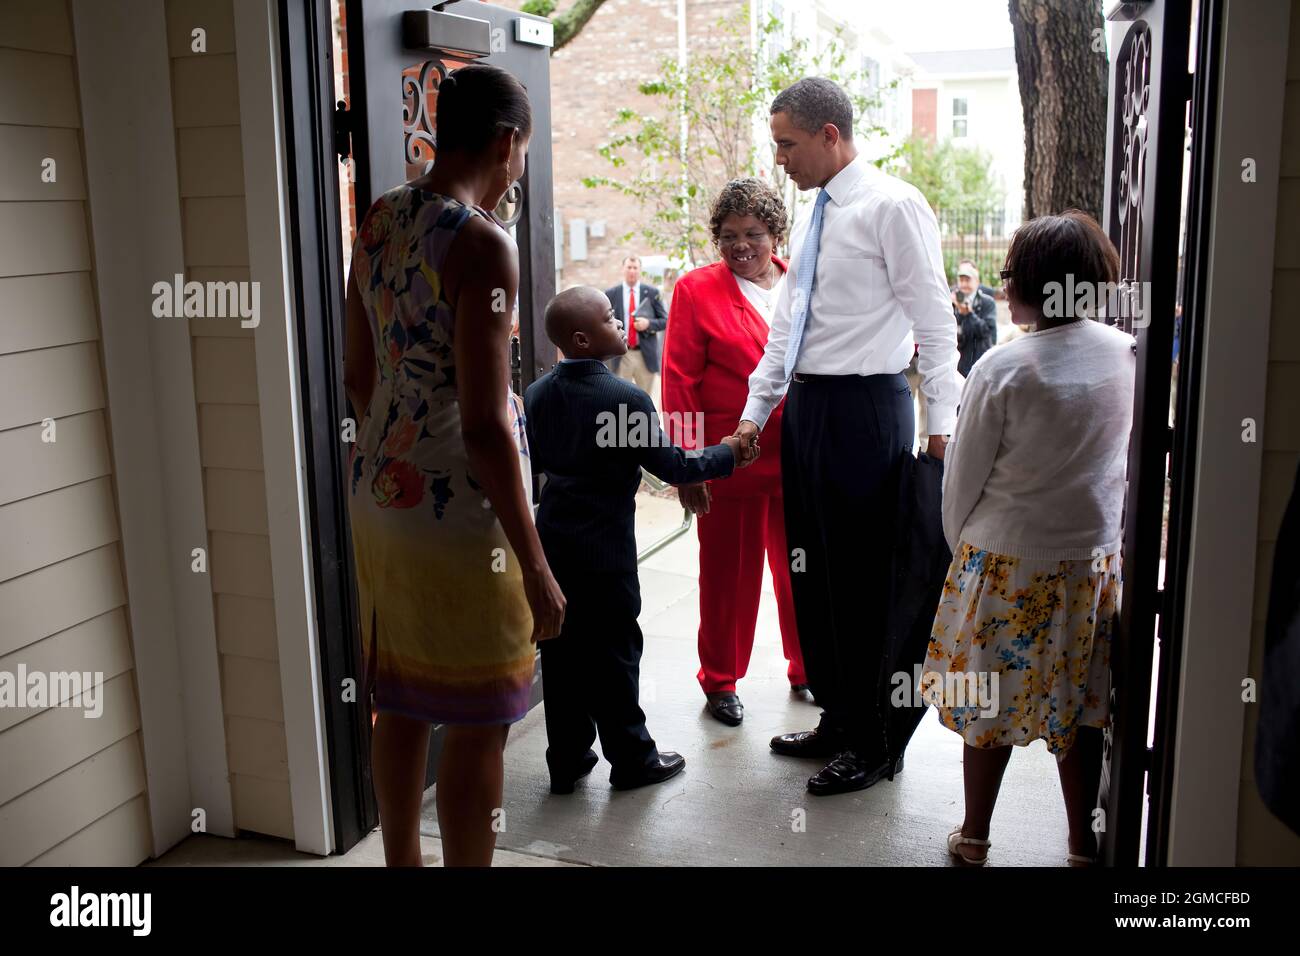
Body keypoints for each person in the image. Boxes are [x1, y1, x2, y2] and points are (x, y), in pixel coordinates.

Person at [343, 63, 566, 867]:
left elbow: (357, 375)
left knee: (400, 701)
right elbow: (483, 421)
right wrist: (535, 563)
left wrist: (392, 447)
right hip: (462, 519)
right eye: (522, 153)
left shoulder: (381, 218)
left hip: (382, 492)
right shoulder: (483, 245)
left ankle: (402, 860)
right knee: (479, 719)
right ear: (507, 143)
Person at [733, 76, 963, 796]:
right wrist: (755, 410)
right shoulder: (811, 215)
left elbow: (935, 324)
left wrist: (943, 429)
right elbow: (787, 329)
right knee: (816, 577)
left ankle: (873, 742)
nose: (780, 161)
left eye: (788, 145)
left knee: (867, 583)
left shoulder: (894, 206)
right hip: (807, 414)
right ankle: (838, 717)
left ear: (830, 135)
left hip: (868, 411)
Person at [923, 210, 1135, 866]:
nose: (1000, 287)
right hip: (1089, 563)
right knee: (1081, 709)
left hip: (1005, 563)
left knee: (987, 708)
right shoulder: (1128, 354)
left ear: (1036, 286)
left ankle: (976, 838)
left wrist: (964, 551)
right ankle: (1081, 843)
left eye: (1010, 275)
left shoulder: (1003, 367)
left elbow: (961, 482)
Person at [524, 287, 749, 793]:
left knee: (560, 656)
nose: (621, 323)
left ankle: (566, 757)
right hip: (606, 555)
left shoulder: (538, 396)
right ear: (583, 339)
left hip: (555, 547)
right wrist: (730, 451)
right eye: (609, 319)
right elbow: (673, 466)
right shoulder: (623, 399)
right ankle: (632, 759)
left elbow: (532, 467)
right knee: (616, 655)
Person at [660, 178, 810, 727]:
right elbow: (678, 381)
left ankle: (807, 667)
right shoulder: (696, 290)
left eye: (753, 233)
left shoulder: (803, 278)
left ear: (775, 233)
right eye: (727, 236)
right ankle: (720, 679)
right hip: (730, 463)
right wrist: (687, 466)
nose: (740, 245)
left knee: (802, 572)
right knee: (728, 575)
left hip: (801, 460)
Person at [605, 255, 668, 399]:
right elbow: (604, 320)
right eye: (629, 267)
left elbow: (665, 320)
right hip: (621, 353)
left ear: (640, 270)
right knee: (620, 398)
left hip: (644, 354)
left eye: (635, 268)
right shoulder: (611, 294)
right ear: (623, 269)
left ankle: (643, 422)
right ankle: (623, 422)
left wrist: (648, 324)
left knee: (645, 398)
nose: (632, 271)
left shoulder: (652, 293)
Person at [952, 259, 998, 376]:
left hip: (979, 368)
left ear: (977, 282)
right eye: (961, 280)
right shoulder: (952, 302)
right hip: (956, 367)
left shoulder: (987, 302)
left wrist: (968, 314)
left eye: (967, 280)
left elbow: (988, 335)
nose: (964, 284)